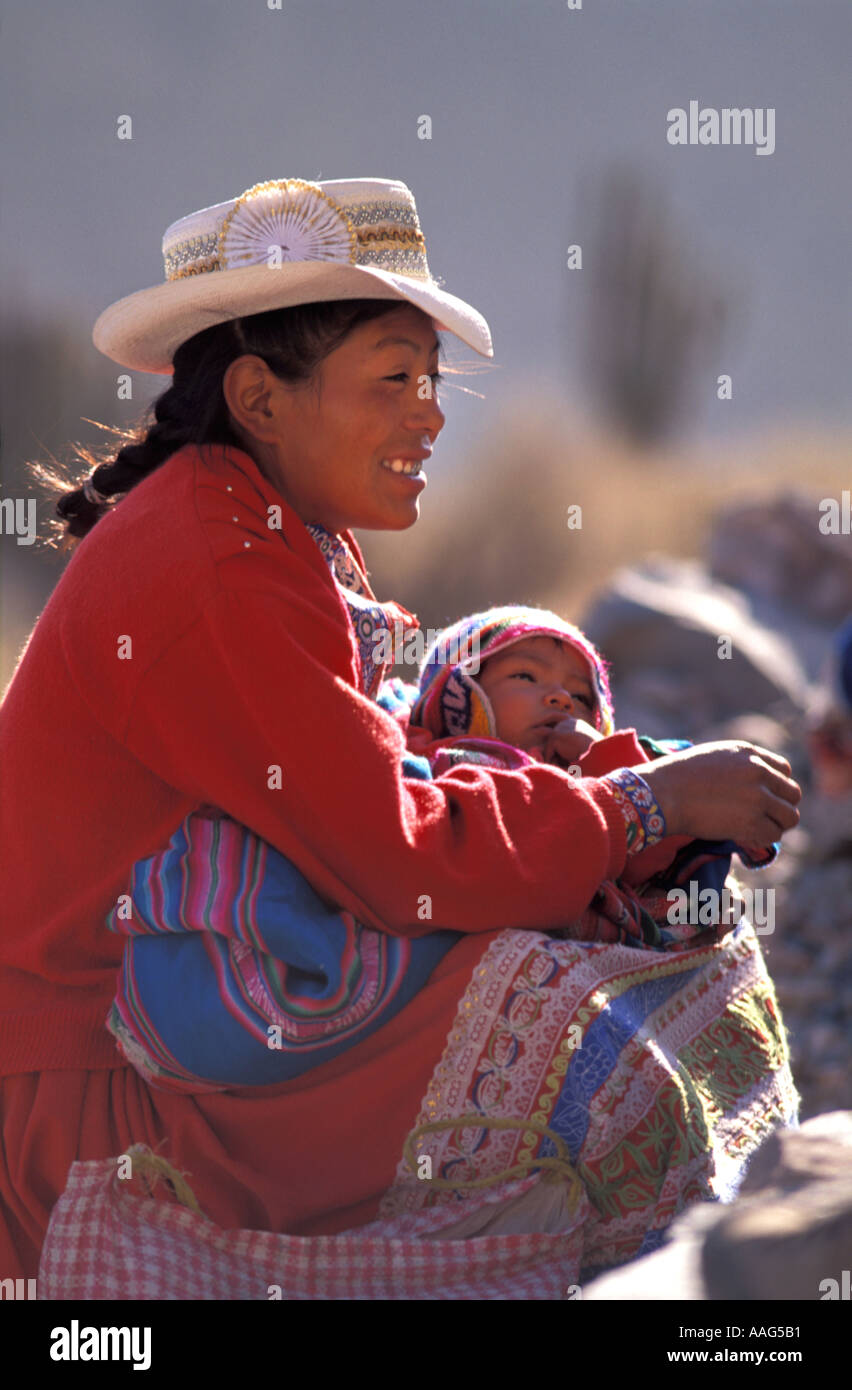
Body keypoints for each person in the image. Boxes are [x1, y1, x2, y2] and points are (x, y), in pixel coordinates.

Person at [0, 175, 802, 1290]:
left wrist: (606, 793)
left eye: (431, 380)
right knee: (589, 1046)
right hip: (114, 1092)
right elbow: (397, 856)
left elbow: (373, 792)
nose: (429, 411)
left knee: (612, 975)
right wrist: (643, 808)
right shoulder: (212, 563)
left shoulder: (261, 527)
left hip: (207, 1021)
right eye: (392, 377)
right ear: (258, 395)